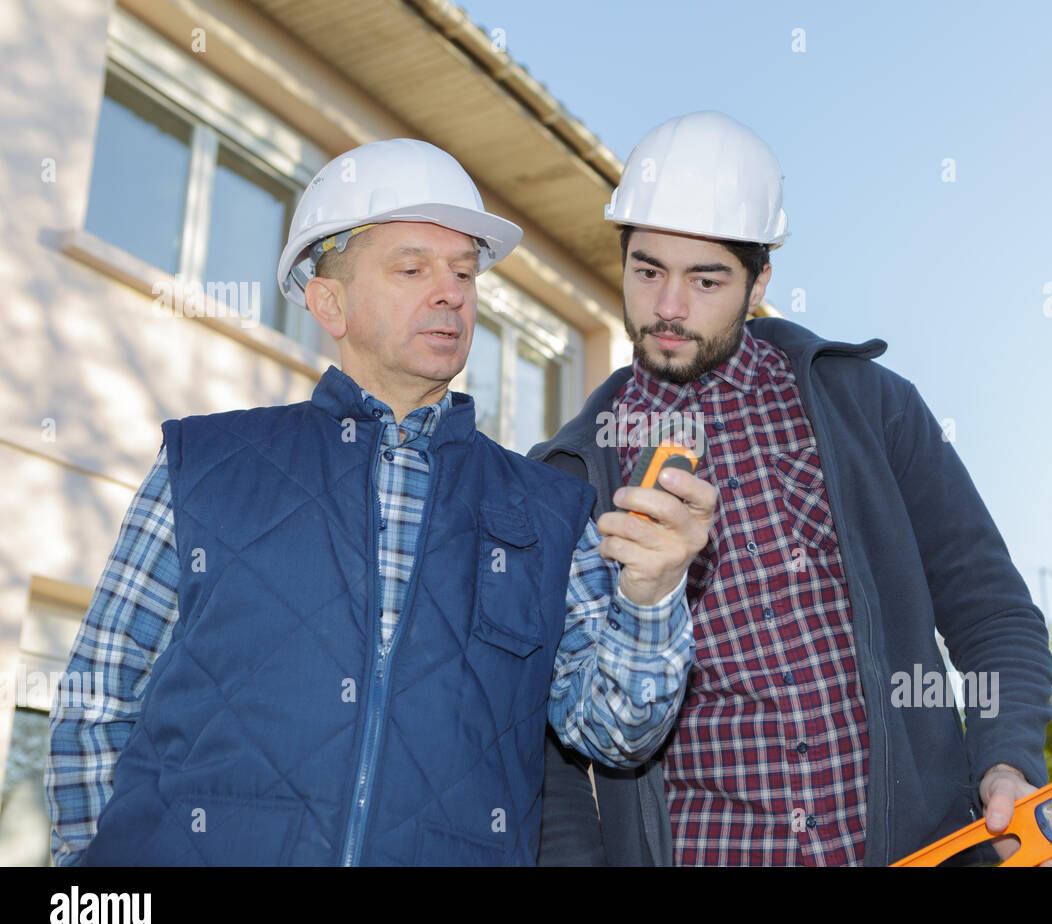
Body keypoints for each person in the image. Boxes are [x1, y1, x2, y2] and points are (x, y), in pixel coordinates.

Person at [45, 138, 716, 866]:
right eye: (412, 268)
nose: (451, 291)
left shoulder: (552, 511)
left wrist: (651, 597)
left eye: (464, 271)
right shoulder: (204, 466)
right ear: (328, 301)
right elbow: (97, 699)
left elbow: (616, 735)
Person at [533, 111, 1052, 866]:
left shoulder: (869, 408)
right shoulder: (567, 479)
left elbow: (991, 615)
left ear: (760, 280)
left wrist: (1007, 761)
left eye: (706, 279)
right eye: (648, 270)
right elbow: (558, 753)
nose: (668, 307)